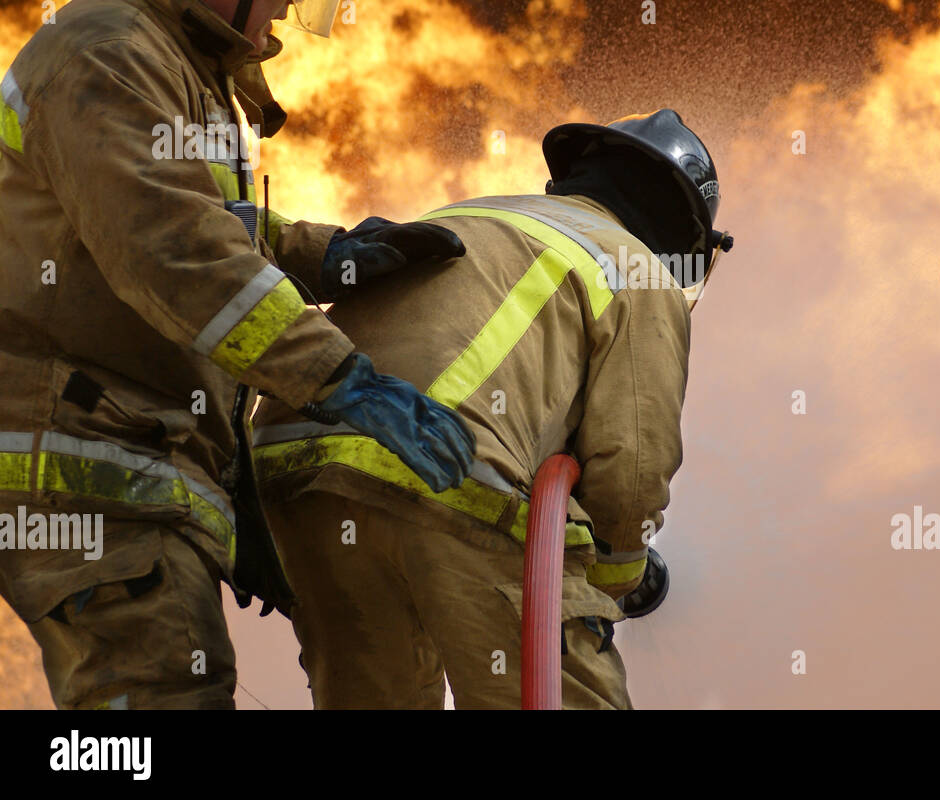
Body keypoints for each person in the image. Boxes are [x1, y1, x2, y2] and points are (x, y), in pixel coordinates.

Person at [0, 0, 475, 709]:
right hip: (83, 461)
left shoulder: (171, 59)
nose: (289, 14)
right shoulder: (108, 53)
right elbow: (173, 251)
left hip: (128, 454)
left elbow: (203, 229)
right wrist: (339, 379)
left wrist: (321, 253)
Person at [252, 108, 732, 708]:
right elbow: (632, 469)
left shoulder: (467, 215)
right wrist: (615, 581)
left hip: (287, 469)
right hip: (444, 462)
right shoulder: (635, 268)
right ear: (683, 235)